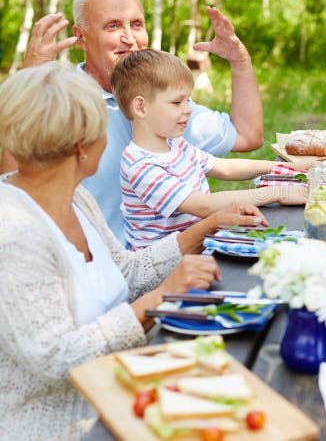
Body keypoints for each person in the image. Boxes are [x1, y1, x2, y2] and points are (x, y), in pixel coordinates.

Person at [0, 62, 269, 439]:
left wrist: (206, 226)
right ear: (81, 146)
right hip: (72, 426)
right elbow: (55, 358)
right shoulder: (12, 231)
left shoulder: (75, 197)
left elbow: (127, 272)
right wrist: (159, 298)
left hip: (123, 389)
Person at [1, 0, 265, 243]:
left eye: (137, 24)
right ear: (81, 37)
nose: (129, 38)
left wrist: (240, 62)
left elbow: (247, 136)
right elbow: (12, 192)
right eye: (113, 26)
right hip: (101, 270)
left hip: (180, 261)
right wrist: (31, 80)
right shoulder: (62, 99)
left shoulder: (163, 99)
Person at [113, 49, 313, 249]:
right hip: (169, 268)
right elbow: (203, 205)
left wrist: (290, 168)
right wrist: (278, 193)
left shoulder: (175, 144)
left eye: (188, 100)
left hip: (199, 248)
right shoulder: (140, 165)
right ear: (141, 107)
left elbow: (223, 167)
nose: (188, 109)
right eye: (177, 102)